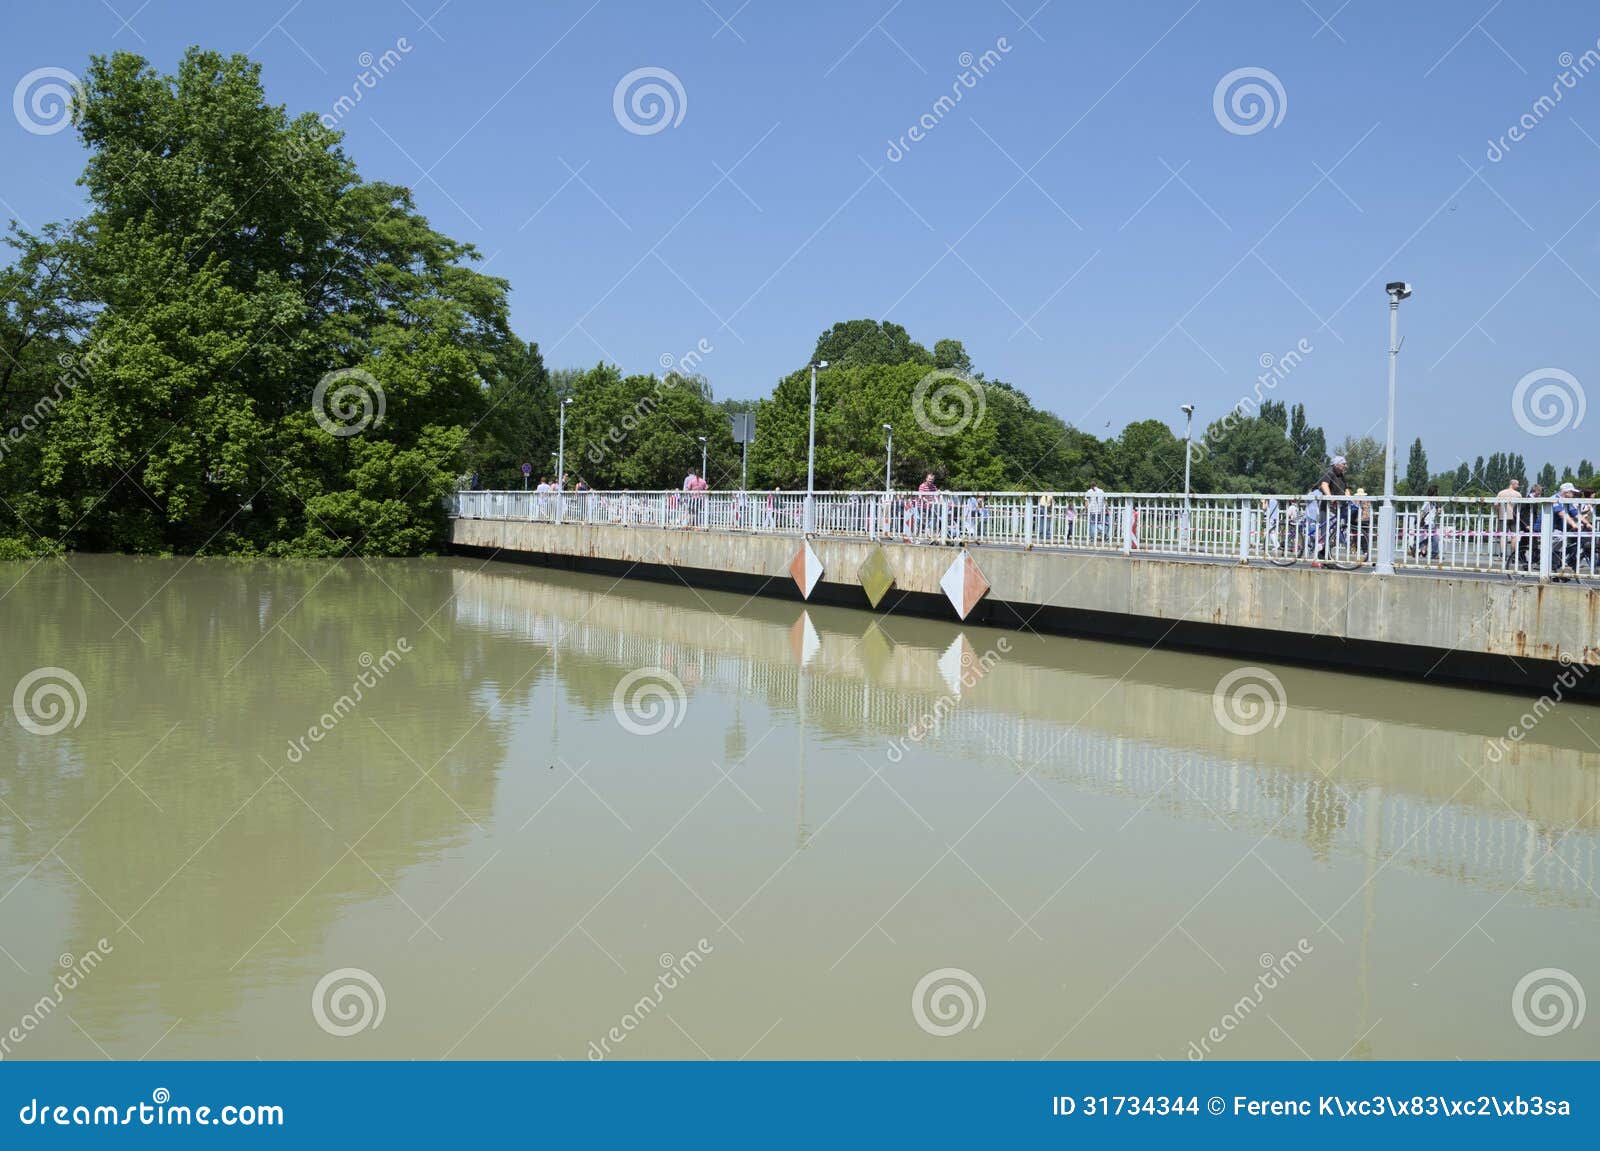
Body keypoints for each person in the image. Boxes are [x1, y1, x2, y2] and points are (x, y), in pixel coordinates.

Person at [1316, 455, 1352, 558]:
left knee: (1334, 532)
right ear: (1336, 465)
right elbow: (1324, 485)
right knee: (1326, 531)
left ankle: (1326, 555)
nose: (1345, 466)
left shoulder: (1341, 476)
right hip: (1327, 506)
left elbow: (1346, 489)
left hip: (1337, 507)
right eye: (1343, 464)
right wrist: (1330, 497)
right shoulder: (1330, 473)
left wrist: (1350, 499)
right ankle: (1322, 555)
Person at [1495, 478, 1521, 566]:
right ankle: (1513, 555)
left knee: (1503, 535)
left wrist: (1498, 512)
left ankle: (1502, 554)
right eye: (1517, 485)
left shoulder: (1501, 493)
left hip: (1503, 516)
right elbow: (1520, 506)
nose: (1518, 486)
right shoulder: (1518, 494)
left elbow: (1496, 505)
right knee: (1514, 536)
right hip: (1514, 517)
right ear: (1513, 484)